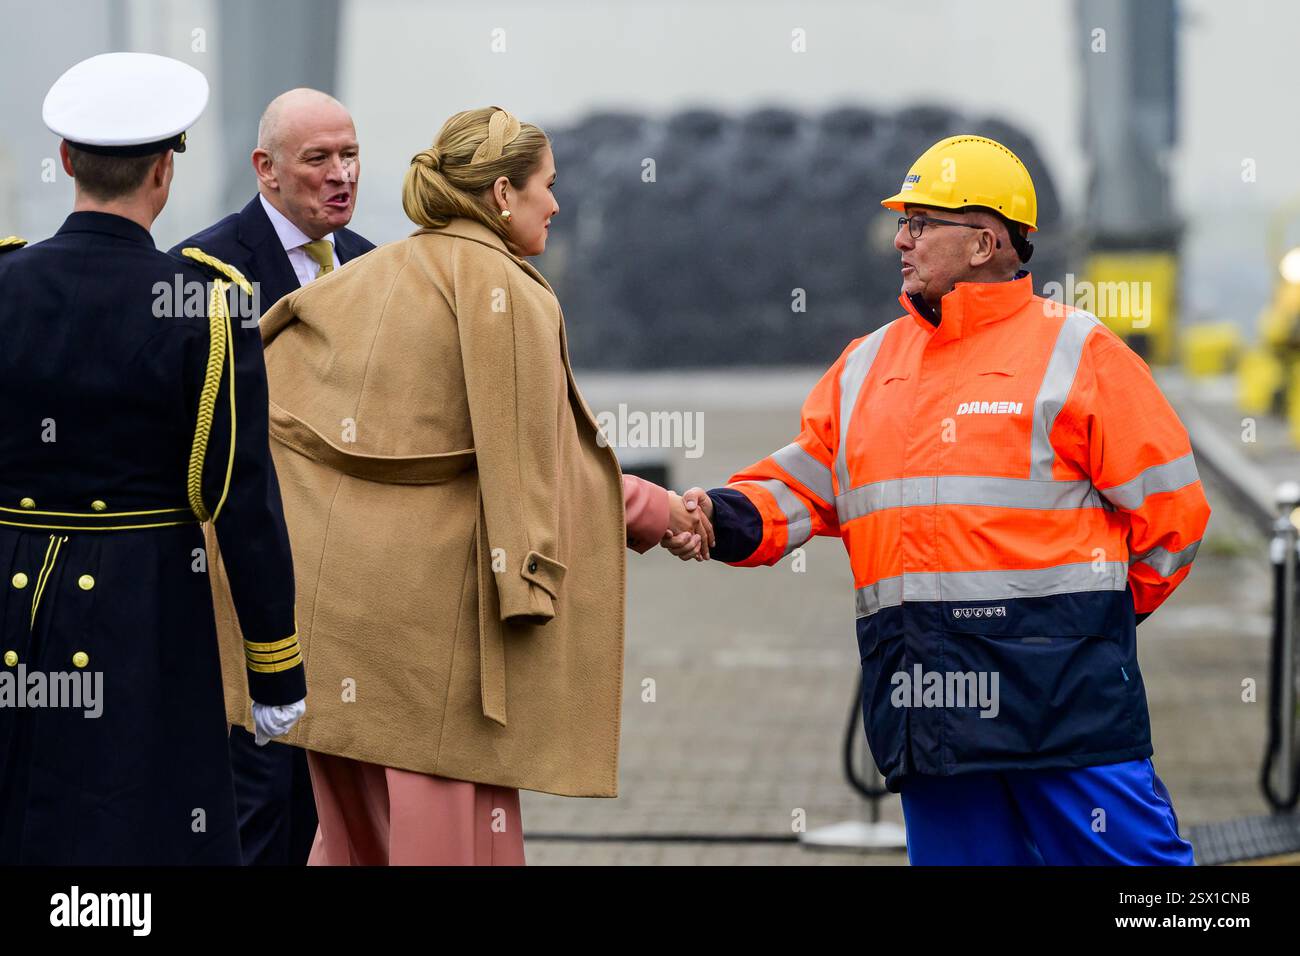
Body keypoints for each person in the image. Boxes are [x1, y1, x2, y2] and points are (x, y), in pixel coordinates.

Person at [668, 134, 1210, 866]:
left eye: (921, 222)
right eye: (903, 222)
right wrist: (713, 517)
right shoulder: (867, 365)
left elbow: (1174, 516)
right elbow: (800, 486)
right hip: (932, 714)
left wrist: (1092, 623)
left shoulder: (1080, 354)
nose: (901, 239)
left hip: (1065, 717)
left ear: (985, 241)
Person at [208, 106, 712, 865]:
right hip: (435, 654)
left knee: (346, 841)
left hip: (340, 638)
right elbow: (537, 467)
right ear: (503, 193)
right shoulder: (505, 288)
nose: (557, 203)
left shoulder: (366, 274)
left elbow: (265, 421)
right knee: (455, 844)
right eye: (548, 185)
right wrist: (664, 513)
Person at [0, 52, 304, 865]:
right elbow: (240, 497)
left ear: (66, 161)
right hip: (144, 601)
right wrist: (276, 668)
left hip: (8, 586)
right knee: (138, 822)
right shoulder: (205, 303)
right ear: (166, 170)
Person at [172, 87, 374, 868]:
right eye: (317, 158)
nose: (340, 174)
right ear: (267, 170)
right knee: (260, 812)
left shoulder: (370, 267)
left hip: (347, 594)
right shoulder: (203, 271)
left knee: (335, 814)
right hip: (244, 593)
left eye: (349, 153)